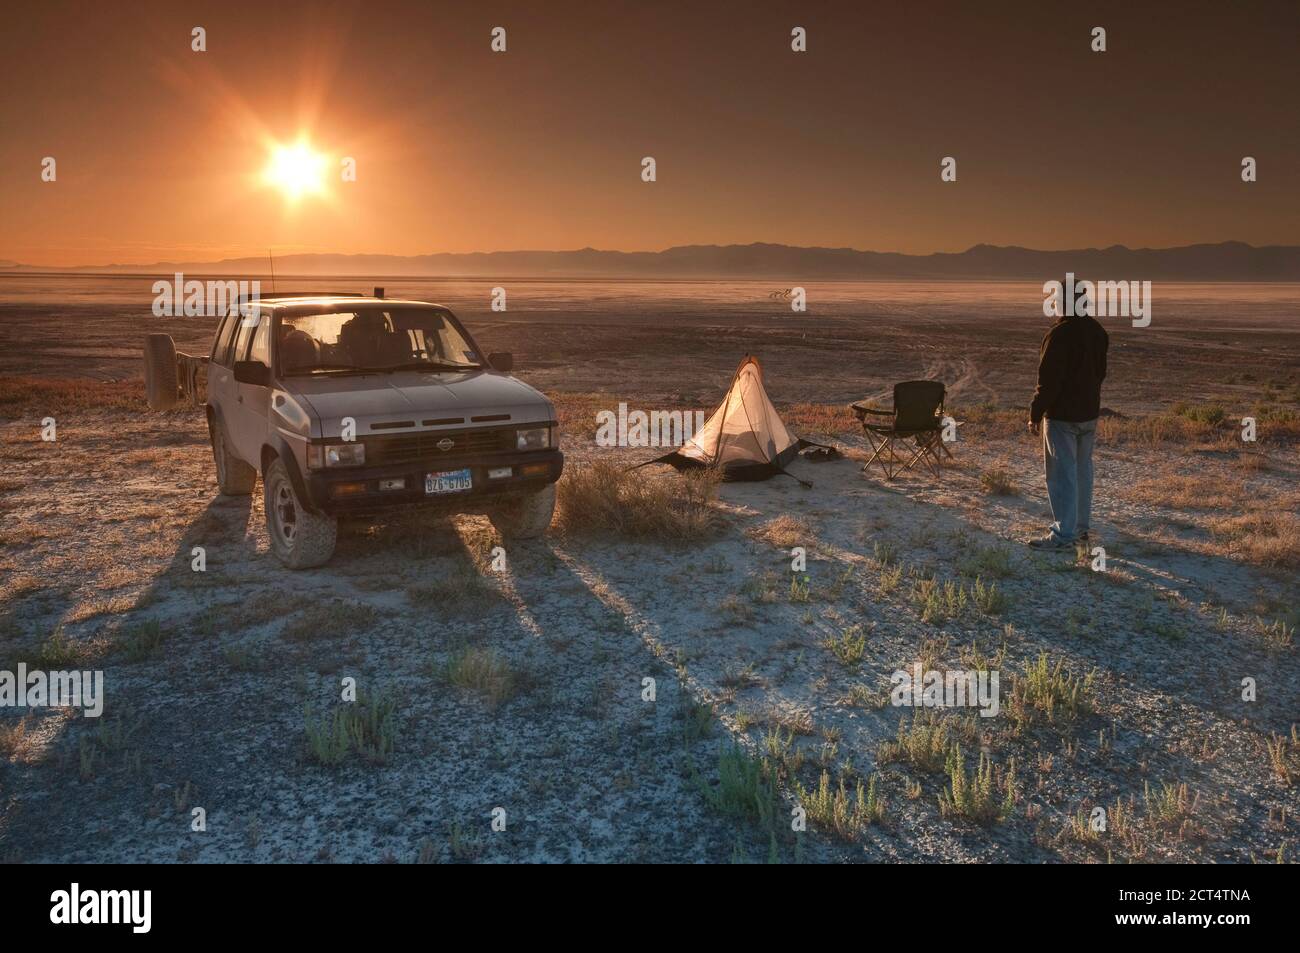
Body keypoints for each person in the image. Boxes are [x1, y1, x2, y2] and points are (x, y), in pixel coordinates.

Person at [1027, 280, 1109, 550]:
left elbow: (1048, 381)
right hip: (1089, 413)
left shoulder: (1059, 334)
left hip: (1062, 416)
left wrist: (1036, 413)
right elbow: (1100, 374)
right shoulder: (1097, 331)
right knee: (1083, 470)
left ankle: (1064, 535)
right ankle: (1080, 530)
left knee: (1062, 474)